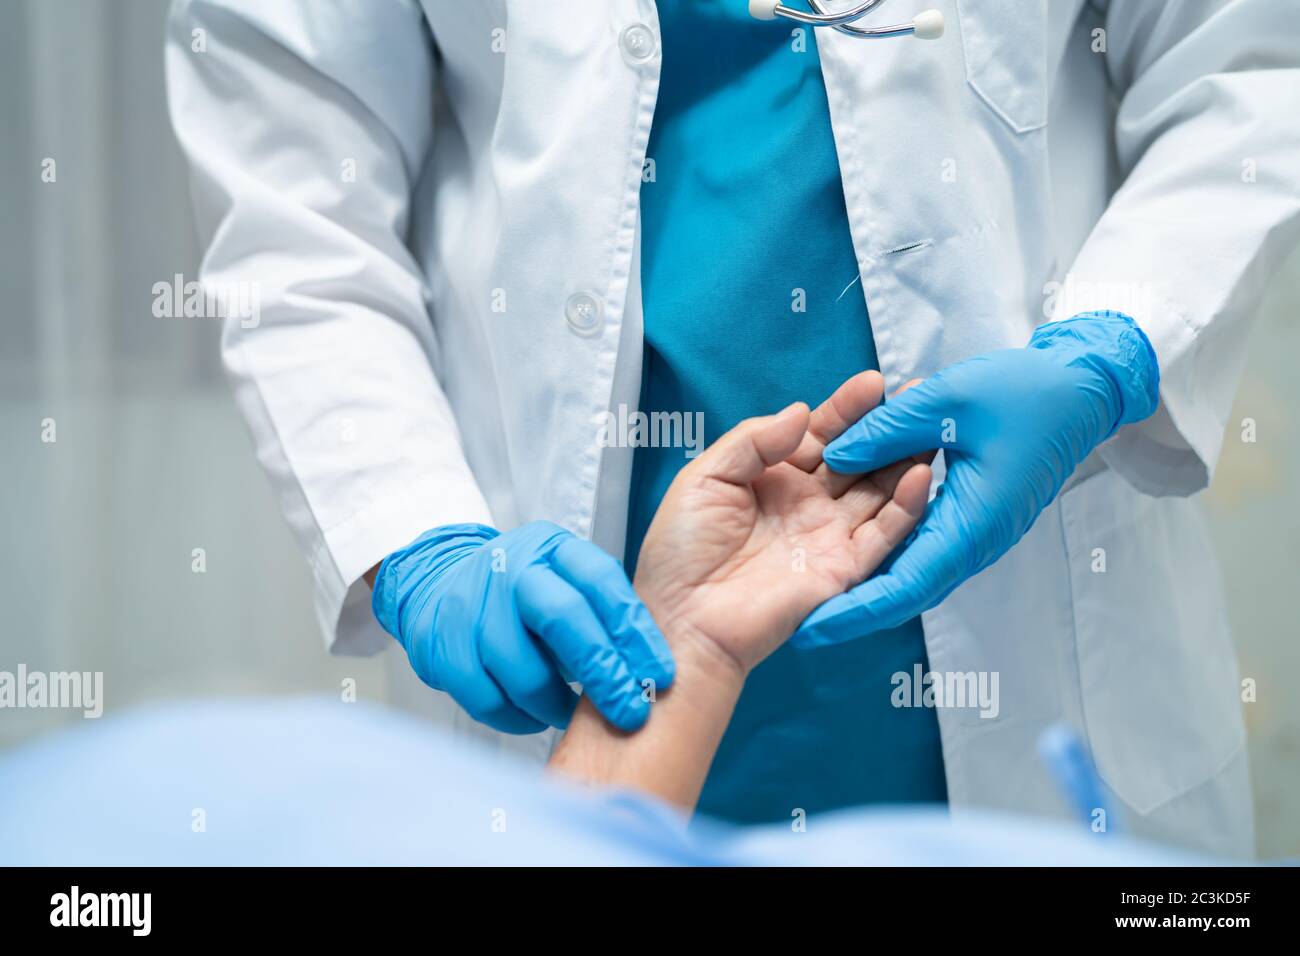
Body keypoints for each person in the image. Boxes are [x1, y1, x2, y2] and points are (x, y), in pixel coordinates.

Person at [165, 0, 1300, 855]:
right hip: (585, 644)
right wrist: (416, 539)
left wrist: (1114, 346)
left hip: (1042, 639)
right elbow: (298, 210)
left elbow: (1248, 68)